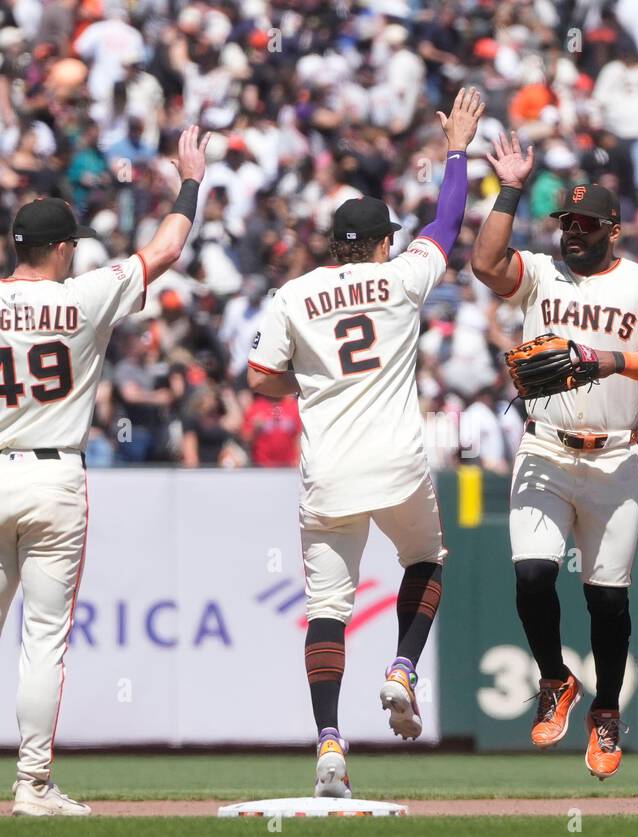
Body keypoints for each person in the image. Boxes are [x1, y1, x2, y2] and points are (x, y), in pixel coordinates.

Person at [0, 127, 211, 817]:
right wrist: (190, 178)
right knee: (42, 643)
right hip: (55, 480)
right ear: (63, 247)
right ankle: (31, 785)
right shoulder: (85, 296)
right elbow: (166, 248)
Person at [247, 88, 484, 799]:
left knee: (327, 608)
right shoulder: (400, 278)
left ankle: (328, 747)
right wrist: (458, 151)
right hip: (398, 462)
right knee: (425, 559)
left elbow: (260, 379)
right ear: (384, 242)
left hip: (329, 473)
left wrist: (312, 383)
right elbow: (447, 220)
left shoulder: (293, 295)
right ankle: (404, 667)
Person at [470, 139, 638, 780]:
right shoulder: (540, 272)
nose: (574, 233)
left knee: (607, 603)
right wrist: (510, 189)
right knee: (533, 576)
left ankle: (607, 712)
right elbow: (486, 263)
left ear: (613, 230)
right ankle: (554, 678)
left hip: (614, 456)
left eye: (588, 225)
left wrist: (609, 359)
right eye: (567, 222)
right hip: (544, 444)